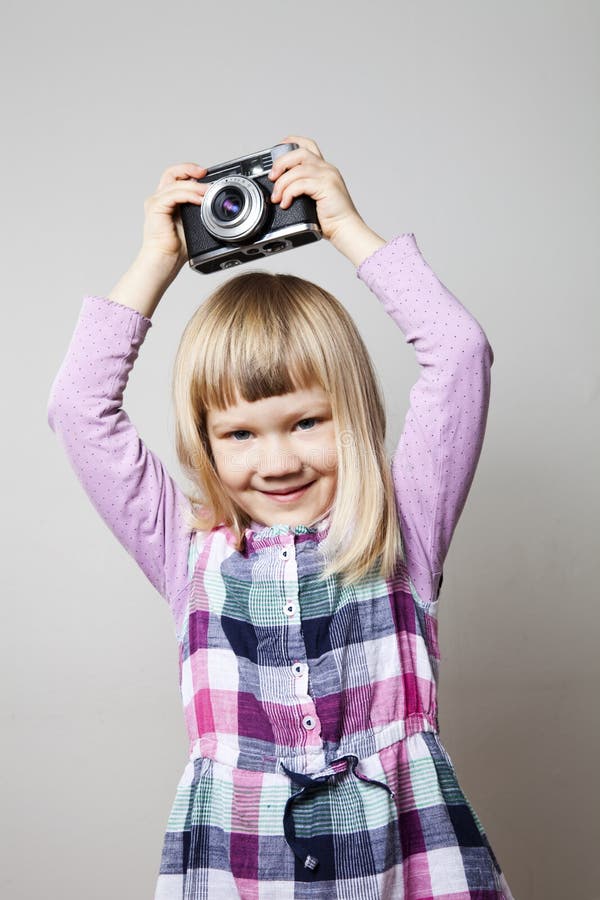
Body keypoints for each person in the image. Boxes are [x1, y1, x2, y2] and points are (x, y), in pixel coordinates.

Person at [47, 135, 515, 899]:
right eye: (239, 434)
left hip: (407, 862)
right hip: (241, 867)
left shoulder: (404, 531)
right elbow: (77, 408)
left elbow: (459, 352)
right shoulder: (187, 552)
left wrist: (345, 228)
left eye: (306, 422)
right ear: (205, 441)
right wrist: (156, 261)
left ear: (354, 413)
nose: (277, 462)